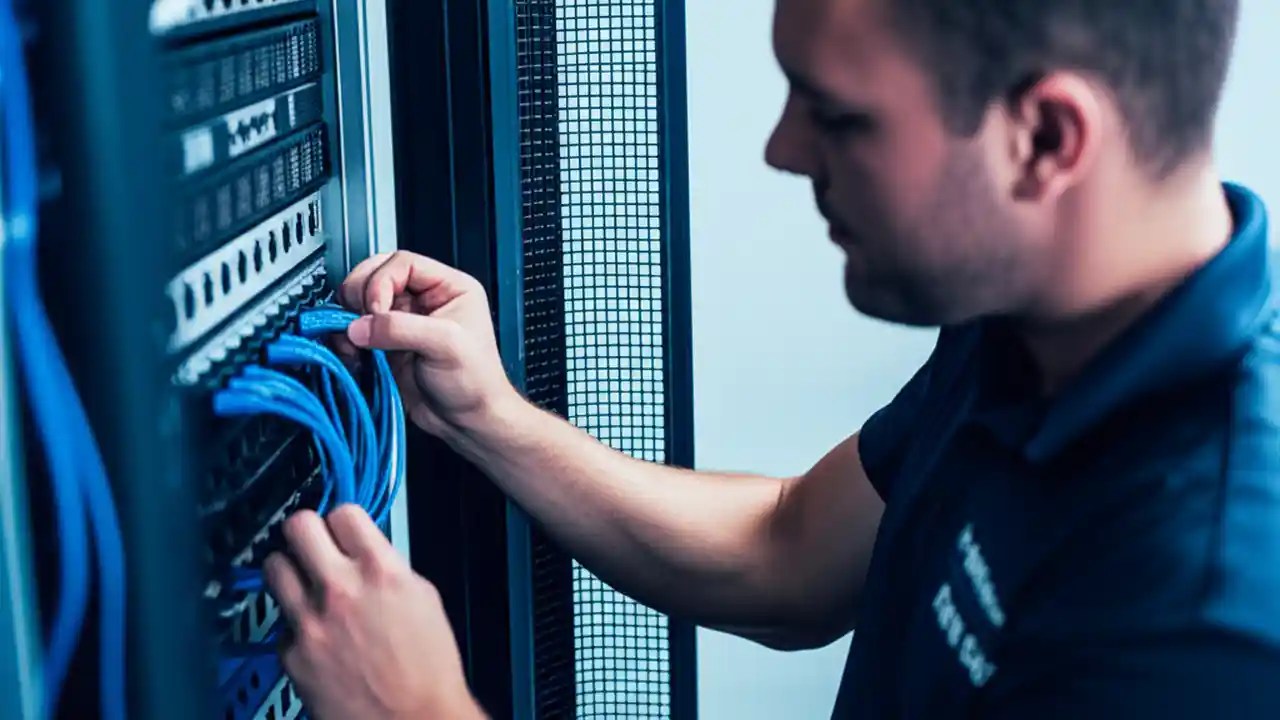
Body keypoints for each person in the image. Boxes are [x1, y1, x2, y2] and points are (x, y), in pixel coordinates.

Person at [261, 0, 1280, 717]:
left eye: (835, 114)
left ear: (1044, 139)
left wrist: (418, 711)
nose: (781, 149)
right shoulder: (1039, 323)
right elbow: (789, 550)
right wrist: (491, 417)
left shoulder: (1204, 629)